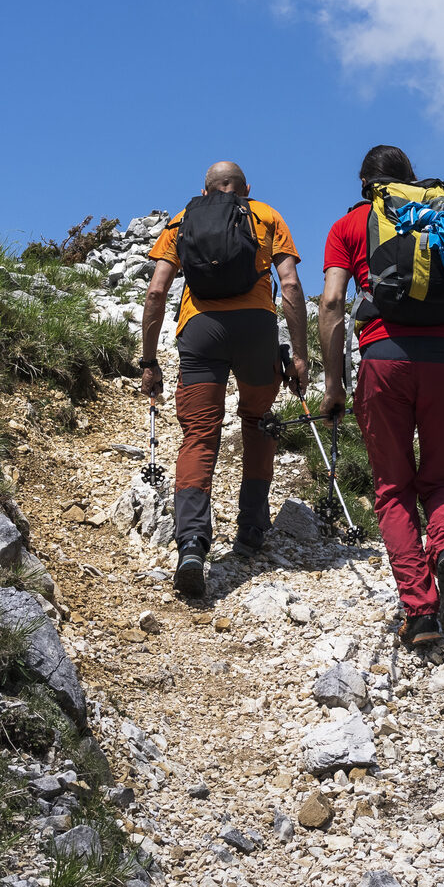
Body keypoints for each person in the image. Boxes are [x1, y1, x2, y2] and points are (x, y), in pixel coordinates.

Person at [318, 145, 444, 647]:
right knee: (442, 477)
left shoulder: (349, 226)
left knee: (393, 488)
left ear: (364, 185)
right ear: (412, 179)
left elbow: (333, 302)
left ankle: (420, 613)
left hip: (384, 362)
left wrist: (334, 385)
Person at [140, 161, 309, 597]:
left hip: (201, 330)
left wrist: (147, 360)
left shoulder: (181, 221)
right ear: (245, 189)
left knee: (199, 435)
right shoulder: (266, 214)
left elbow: (157, 290)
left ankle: (193, 546)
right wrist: (301, 354)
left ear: (206, 190)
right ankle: (252, 528)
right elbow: (289, 285)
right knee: (257, 420)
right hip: (256, 329)